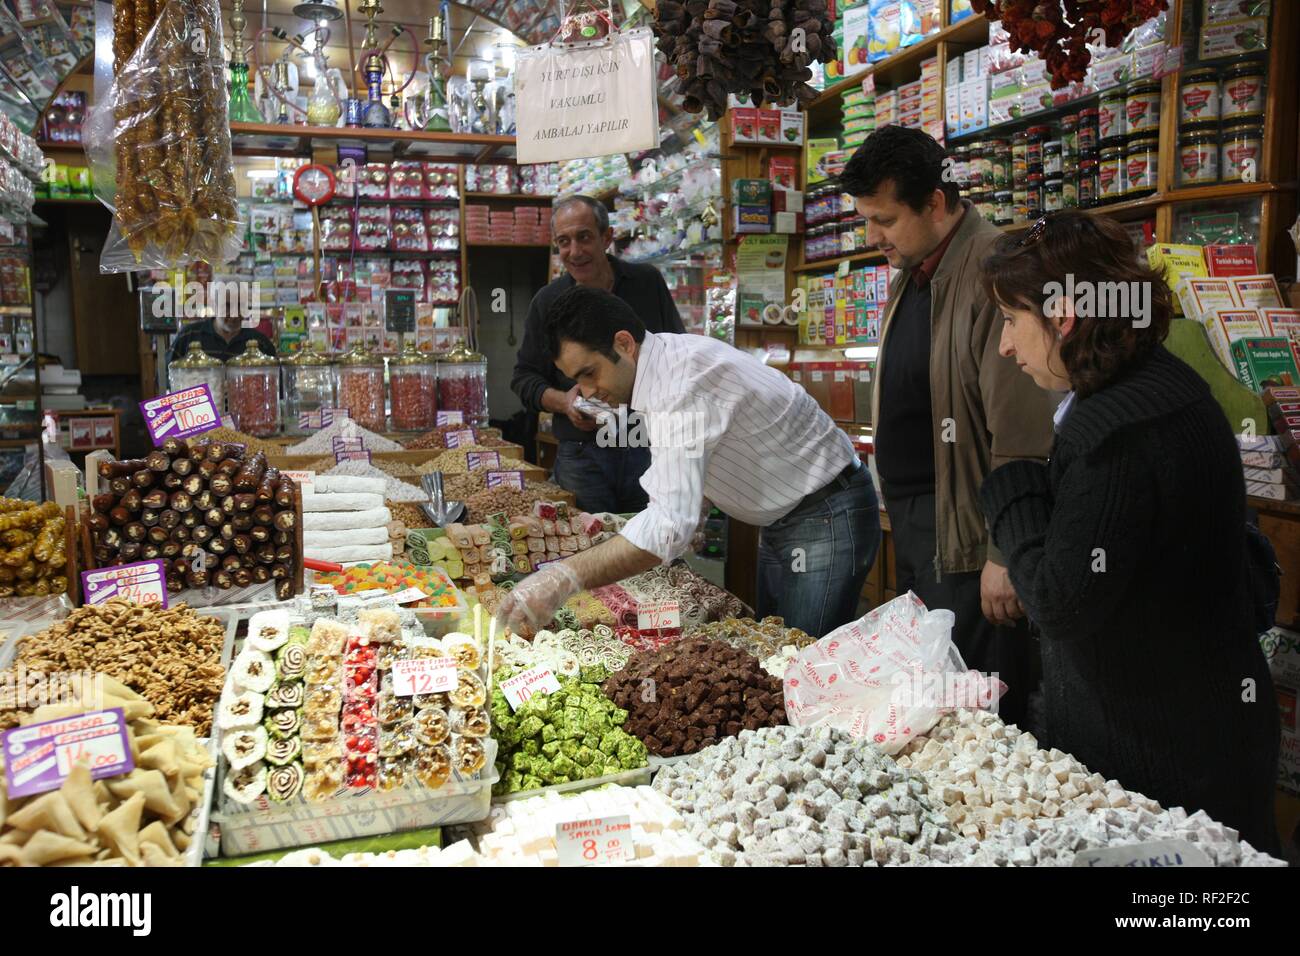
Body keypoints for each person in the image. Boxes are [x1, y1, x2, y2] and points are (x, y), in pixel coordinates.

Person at [978, 211, 1281, 853]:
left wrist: (1010, 491)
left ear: (1063, 318)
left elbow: (1061, 600)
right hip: (1201, 728)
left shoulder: (1116, 432)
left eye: (1011, 321)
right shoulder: (1162, 383)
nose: (1006, 347)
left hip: (1164, 756)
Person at [496, 285, 880, 639]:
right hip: (785, 516)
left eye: (589, 373)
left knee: (799, 660)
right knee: (777, 645)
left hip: (826, 513)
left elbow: (668, 526)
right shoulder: (657, 365)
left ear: (624, 343)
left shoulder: (678, 385)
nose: (587, 393)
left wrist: (565, 577)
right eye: (574, 379)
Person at [840, 125, 1056, 728]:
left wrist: (1005, 551)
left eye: (883, 219)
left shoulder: (993, 270)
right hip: (916, 522)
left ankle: (997, 816)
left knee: (979, 703)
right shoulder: (913, 268)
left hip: (966, 527)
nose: (870, 235)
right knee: (934, 696)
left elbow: (1022, 428)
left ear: (935, 202)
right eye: (865, 218)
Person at [511, 195, 686, 513]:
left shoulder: (646, 283)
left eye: (584, 237)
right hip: (582, 453)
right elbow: (524, 378)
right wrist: (565, 402)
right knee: (587, 546)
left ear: (607, 237)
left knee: (653, 548)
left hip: (644, 443)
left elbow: (677, 352)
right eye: (564, 242)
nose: (575, 252)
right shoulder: (547, 301)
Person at [168, 312, 276, 364]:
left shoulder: (260, 342)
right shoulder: (188, 335)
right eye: (227, 306)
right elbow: (167, 375)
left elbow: (276, 384)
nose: (234, 314)